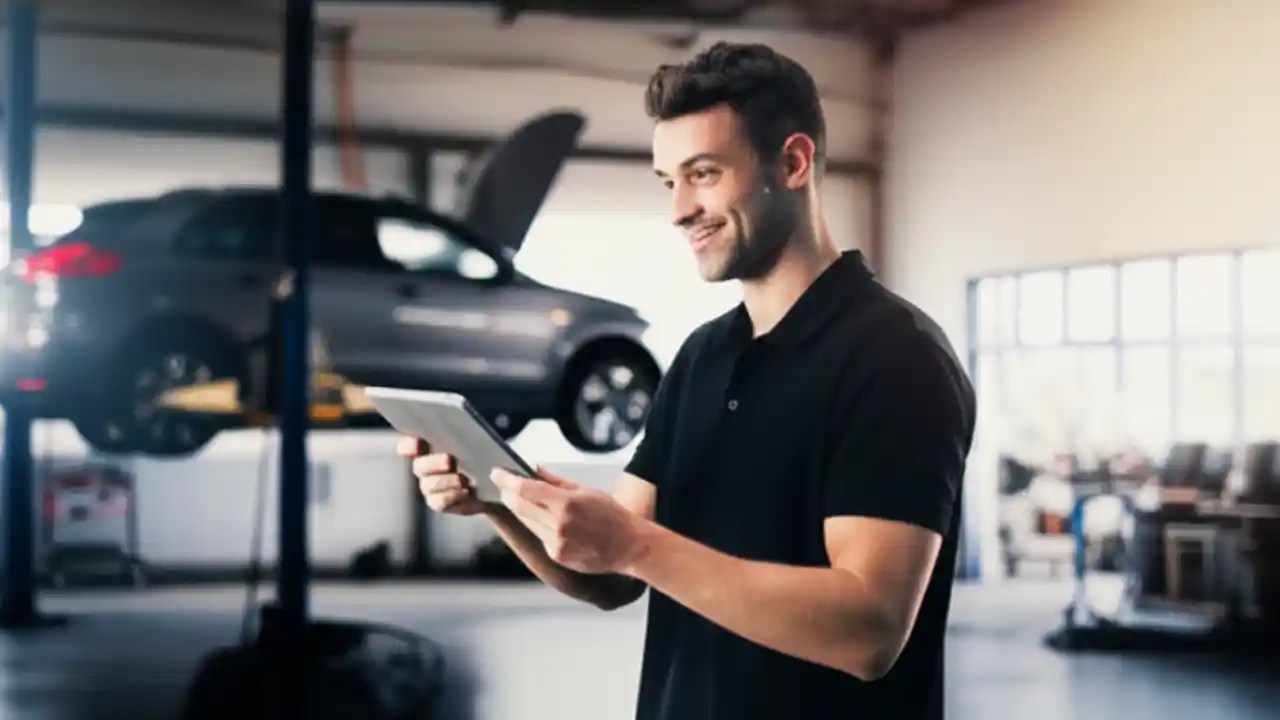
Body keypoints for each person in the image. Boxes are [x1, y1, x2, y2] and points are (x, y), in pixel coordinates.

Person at [399, 41, 976, 720]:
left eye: (703, 173)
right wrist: (499, 501)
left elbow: (869, 631)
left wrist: (635, 542)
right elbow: (614, 576)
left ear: (792, 163)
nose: (678, 209)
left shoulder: (894, 358)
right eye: (667, 181)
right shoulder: (703, 356)